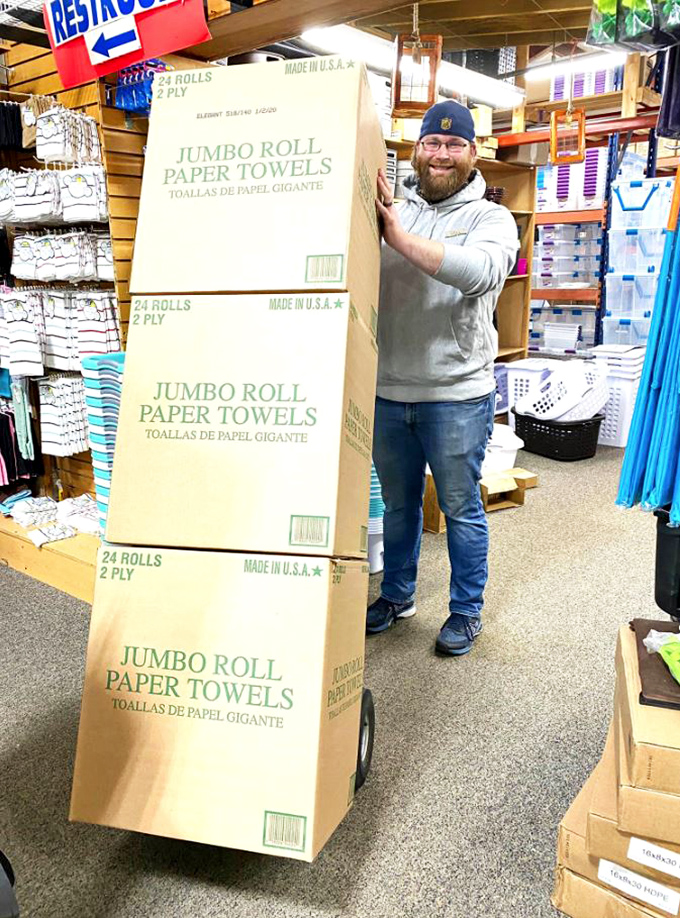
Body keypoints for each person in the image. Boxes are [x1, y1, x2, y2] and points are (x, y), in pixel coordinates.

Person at [368, 99, 519, 656]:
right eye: (432, 142)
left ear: (473, 153)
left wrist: (399, 238)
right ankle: (397, 596)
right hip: (388, 389)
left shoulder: (490, 219)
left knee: (460, 508)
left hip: (457, 393)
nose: (441, 154)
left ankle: (465, 611)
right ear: (418, 149)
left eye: (455, 145)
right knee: (398, 507)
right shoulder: (389, 206)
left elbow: (479, 273)